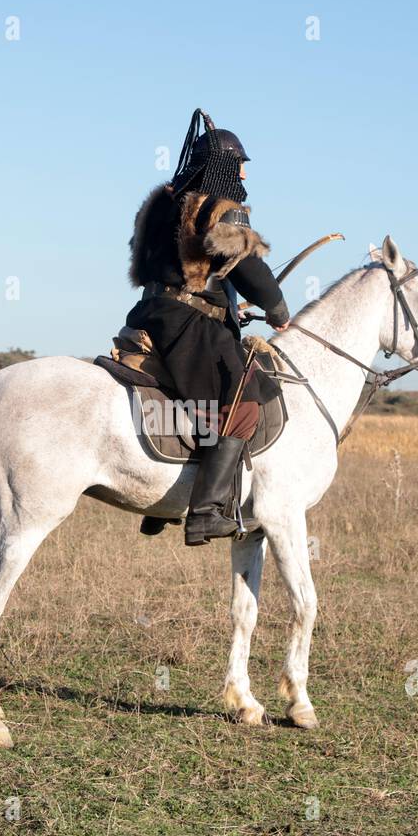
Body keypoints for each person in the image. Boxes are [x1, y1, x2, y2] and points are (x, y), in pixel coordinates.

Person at [126, 109, 290, 545]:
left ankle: (160, 502)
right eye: (239, 167)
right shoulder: (222, 209)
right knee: (243, 400)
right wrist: (276, 309)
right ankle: (204, 511)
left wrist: (223, 306)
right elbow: (248, 270)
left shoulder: (162, 203)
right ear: (223, 167)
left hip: (148, 313)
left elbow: (176, 267)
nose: (243, 177)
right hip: (185, 325)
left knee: (193, 393)